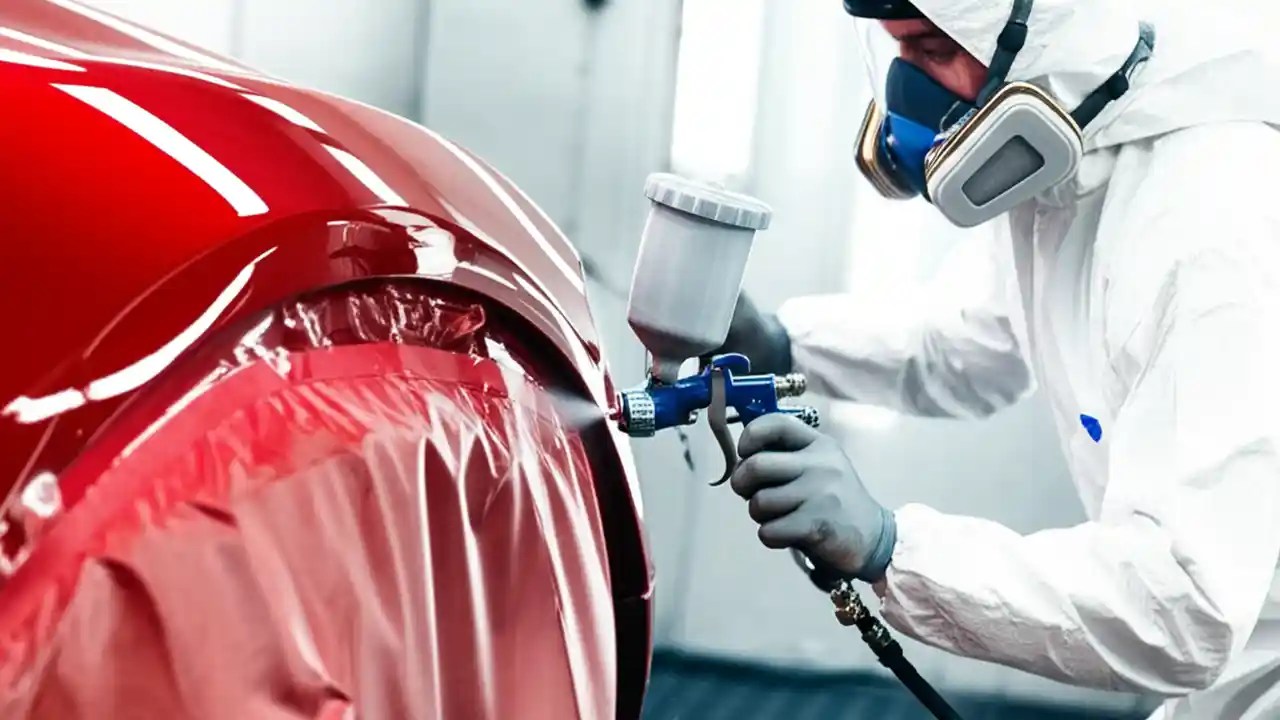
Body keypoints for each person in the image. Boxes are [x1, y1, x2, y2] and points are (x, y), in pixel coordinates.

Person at [719, 1, 1280, 718]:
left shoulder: (1208, 220)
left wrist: (895, 548)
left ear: (1044, 33)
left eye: (928, 49)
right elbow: (970, 344)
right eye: (897, 50)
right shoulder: (1078, 160)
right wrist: (781, 343)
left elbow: (1183, 602)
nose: (907, 92)